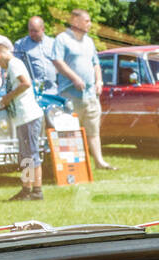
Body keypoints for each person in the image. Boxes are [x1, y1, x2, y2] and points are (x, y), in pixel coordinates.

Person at [54, 9, 111, 170]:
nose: (90, 24)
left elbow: (96, 63)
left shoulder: (89, 41)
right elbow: (58, 61)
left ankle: (100, 162)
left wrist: (99, 81)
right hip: (70, 94)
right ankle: (71, 166)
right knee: (70, 131)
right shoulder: (62, 39)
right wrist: (74, 78)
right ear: (76, 22)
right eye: (87, 21)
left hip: (91, 95)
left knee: (93, 130)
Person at [0, 40, 44, 201]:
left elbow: (25, 84)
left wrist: (7, 98)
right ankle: (28, 189)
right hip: (23, 117)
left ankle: (34, 191)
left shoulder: (14, 64)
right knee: (26, 154)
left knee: (31, 153)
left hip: (28, 115)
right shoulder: (14, 65)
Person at [14, 16, 59, 94]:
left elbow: (60, 62)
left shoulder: (53, 43)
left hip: (53, 89)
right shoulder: (21, 44)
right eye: (30, 30)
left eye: (35, 31)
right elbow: (16, 66)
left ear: (43, 29)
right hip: (33, 90)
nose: (32, 34)